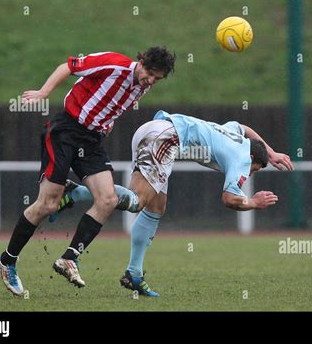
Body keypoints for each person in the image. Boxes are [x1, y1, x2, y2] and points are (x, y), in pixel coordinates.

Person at [0, 47, 176, 296]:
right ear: (141, 61)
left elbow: (115, 104)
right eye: (151, 73)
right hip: (64, 131)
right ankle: (7, 260)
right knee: (47, 204)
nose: (152, 80)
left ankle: (70, 257)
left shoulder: (142, 86)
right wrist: (44, 92)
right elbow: (68, 66)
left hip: (91, 141)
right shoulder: (113, 64)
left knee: (108, 199)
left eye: (158, 78)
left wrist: (107, 123)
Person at [51, 110, 294, 296]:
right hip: (166, 138)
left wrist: (271, 154)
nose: (250, 175)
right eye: (254, 170)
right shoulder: (242, 158)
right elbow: (229, 198)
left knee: (155, 207)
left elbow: (244, 127)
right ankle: (76, 193)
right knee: (137, 201)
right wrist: (253, 202)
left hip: (156, 131)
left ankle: (134, 274)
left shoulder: (235, 135)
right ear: (251, 158)